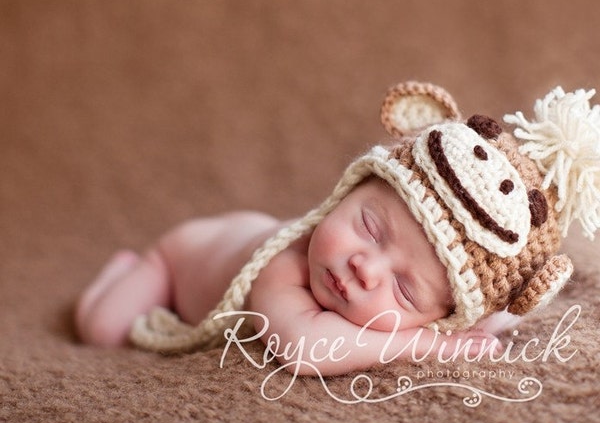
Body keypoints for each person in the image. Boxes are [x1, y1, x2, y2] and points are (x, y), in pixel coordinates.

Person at [75, 82, 599, 376]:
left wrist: (491, 319)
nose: (364, 266)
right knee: (103, 329)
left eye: (404, 288)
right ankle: (122, 270)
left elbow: (481, 311)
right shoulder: (284, 268)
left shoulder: (430, 294)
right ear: (349, 190)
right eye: (370, 227)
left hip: (236, 233)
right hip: (181, 258)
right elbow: (304, 348)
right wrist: (427, 346)